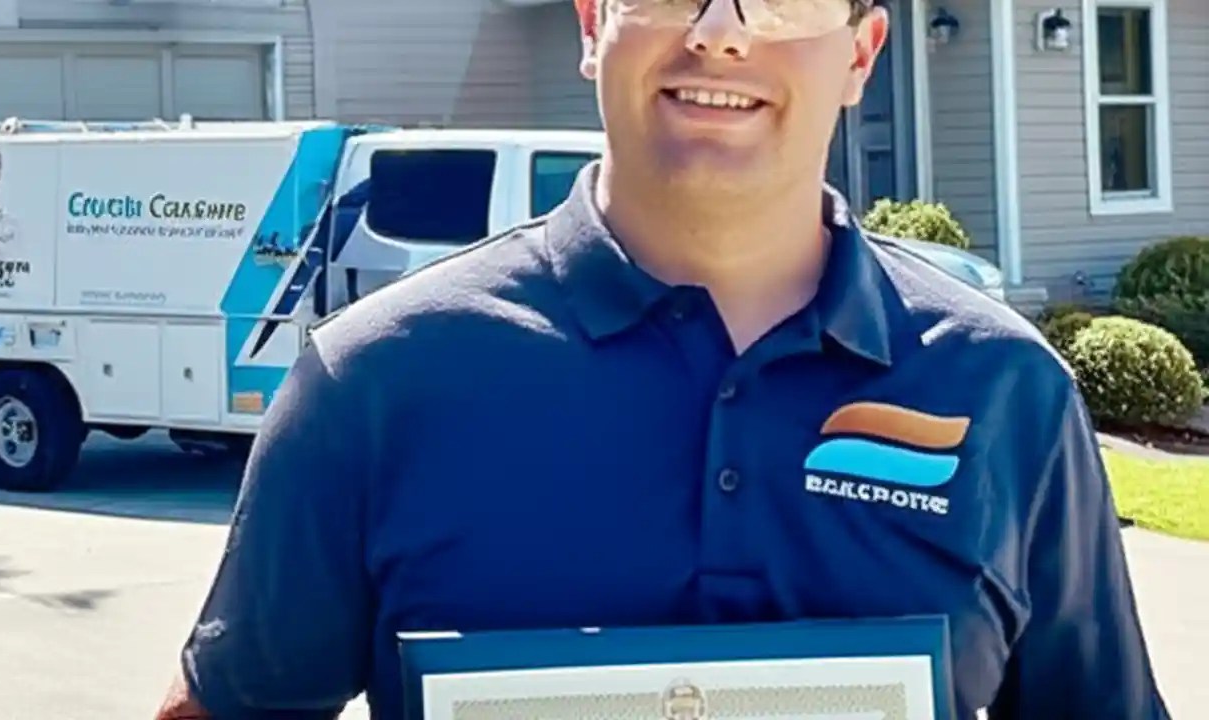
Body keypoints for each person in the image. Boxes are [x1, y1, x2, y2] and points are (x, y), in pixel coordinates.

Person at [156, 0, 1170, 718]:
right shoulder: (376, 382)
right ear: (594, 23)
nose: (720, 29)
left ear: (859, 54)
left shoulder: (1002, 392)